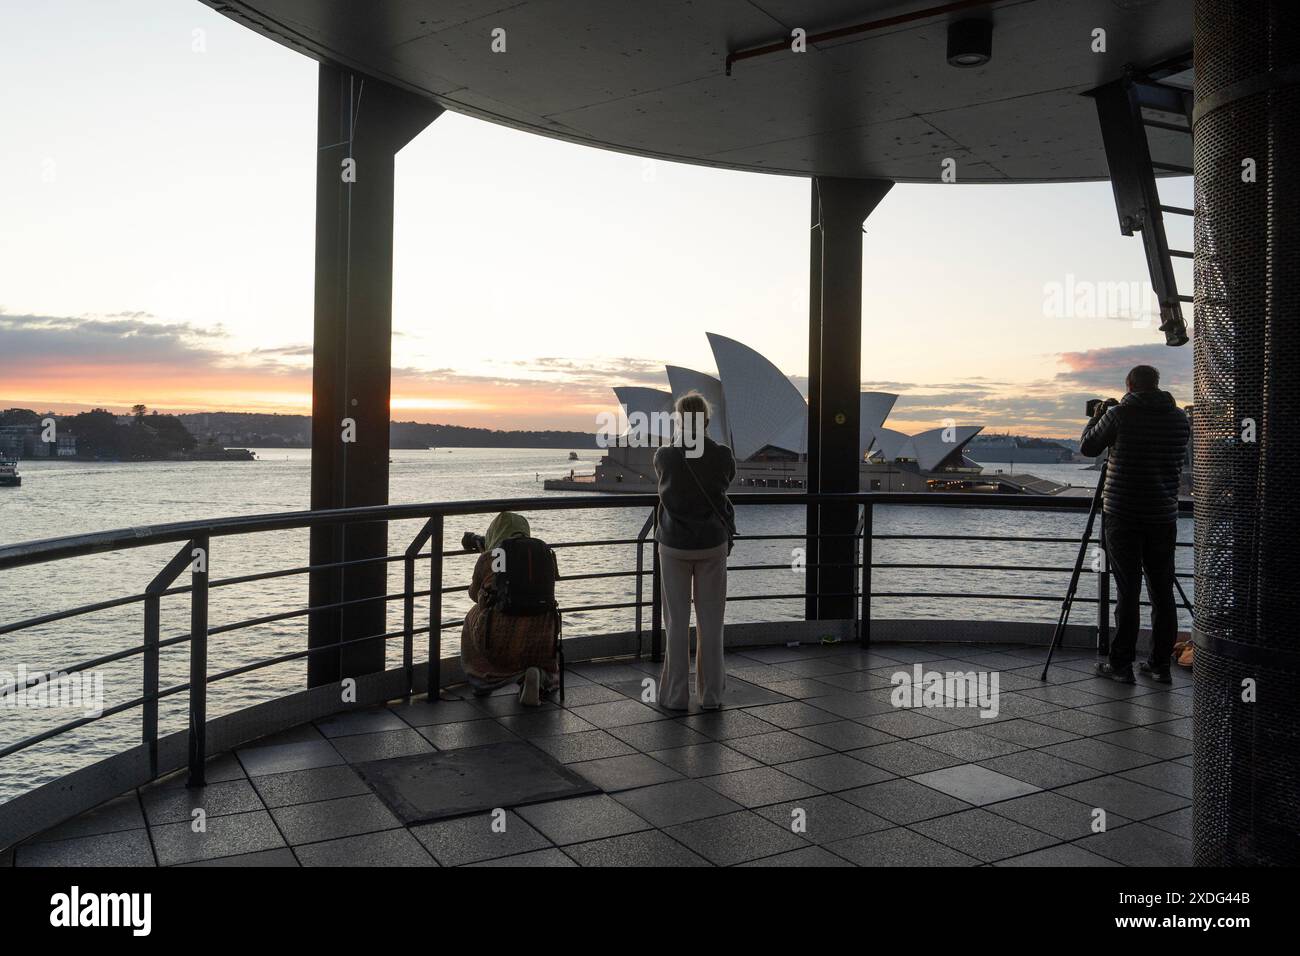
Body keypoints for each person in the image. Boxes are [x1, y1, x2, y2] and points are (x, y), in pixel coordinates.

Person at [1080, 365, 1190, 684]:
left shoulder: (1119, 414)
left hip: (1123, 513)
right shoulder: (1179, 419)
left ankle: (1121, 664)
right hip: (1163, 515)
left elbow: (1088, 448)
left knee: (1128, 591)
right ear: (1157, 384)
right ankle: (1159, 665)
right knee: (1162, 592)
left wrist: (1098, 415)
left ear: (1129, 385)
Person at [653, 392, 736, 710]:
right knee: (711, 622)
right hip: (711, 543)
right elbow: (725, 483)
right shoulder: (722, 454)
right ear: (706, 421)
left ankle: (675, 696)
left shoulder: (665, 456)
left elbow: (664, 485)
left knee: (675, 622)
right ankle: (711, 696)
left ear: (678, 420)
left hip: (673, 545)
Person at [459, 512, 559, 705]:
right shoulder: (543, 552)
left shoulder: (491, 558)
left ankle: (482, 681)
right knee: (542, 662)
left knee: (472, 616)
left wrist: (486, 560)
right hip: (543, 641)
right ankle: (536, 676)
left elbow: (474, 594)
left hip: (500, 641)